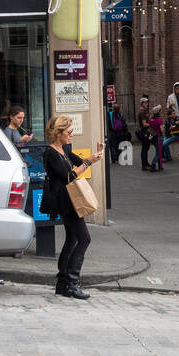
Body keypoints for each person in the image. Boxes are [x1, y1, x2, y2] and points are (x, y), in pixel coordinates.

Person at [42, 114, 104, 299]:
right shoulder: (51, 153)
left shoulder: (64, 149)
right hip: (64, 201)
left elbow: (78, 163)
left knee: (72, 240)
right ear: (58, 133)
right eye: (68, 132)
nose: (71, 135)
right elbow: (69, 176)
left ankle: (62, 283)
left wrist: (97, 155)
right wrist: (89, 161)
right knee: (84, 239)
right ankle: (71, 282)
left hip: (71, 200)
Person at [136, 96, 152, 171]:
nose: (147, 104)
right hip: (144, 132)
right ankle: (144, 165)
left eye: (147, 102)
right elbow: (144, 124)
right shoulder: (142, 112)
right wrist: (152, 124)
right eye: (145, 102)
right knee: (145, 148)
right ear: (142, 103)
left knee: (146, 148)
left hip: (144, 131)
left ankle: (146, 163)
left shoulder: (144, 111)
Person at [148, 104, 165, 171]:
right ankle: (153, 164)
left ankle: (160, 166)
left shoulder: (151, 119)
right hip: (158, 137)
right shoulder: (159, 120)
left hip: (153, 137)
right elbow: (162, 130)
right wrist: (163, 126)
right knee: (158, 152)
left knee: (158, 151)